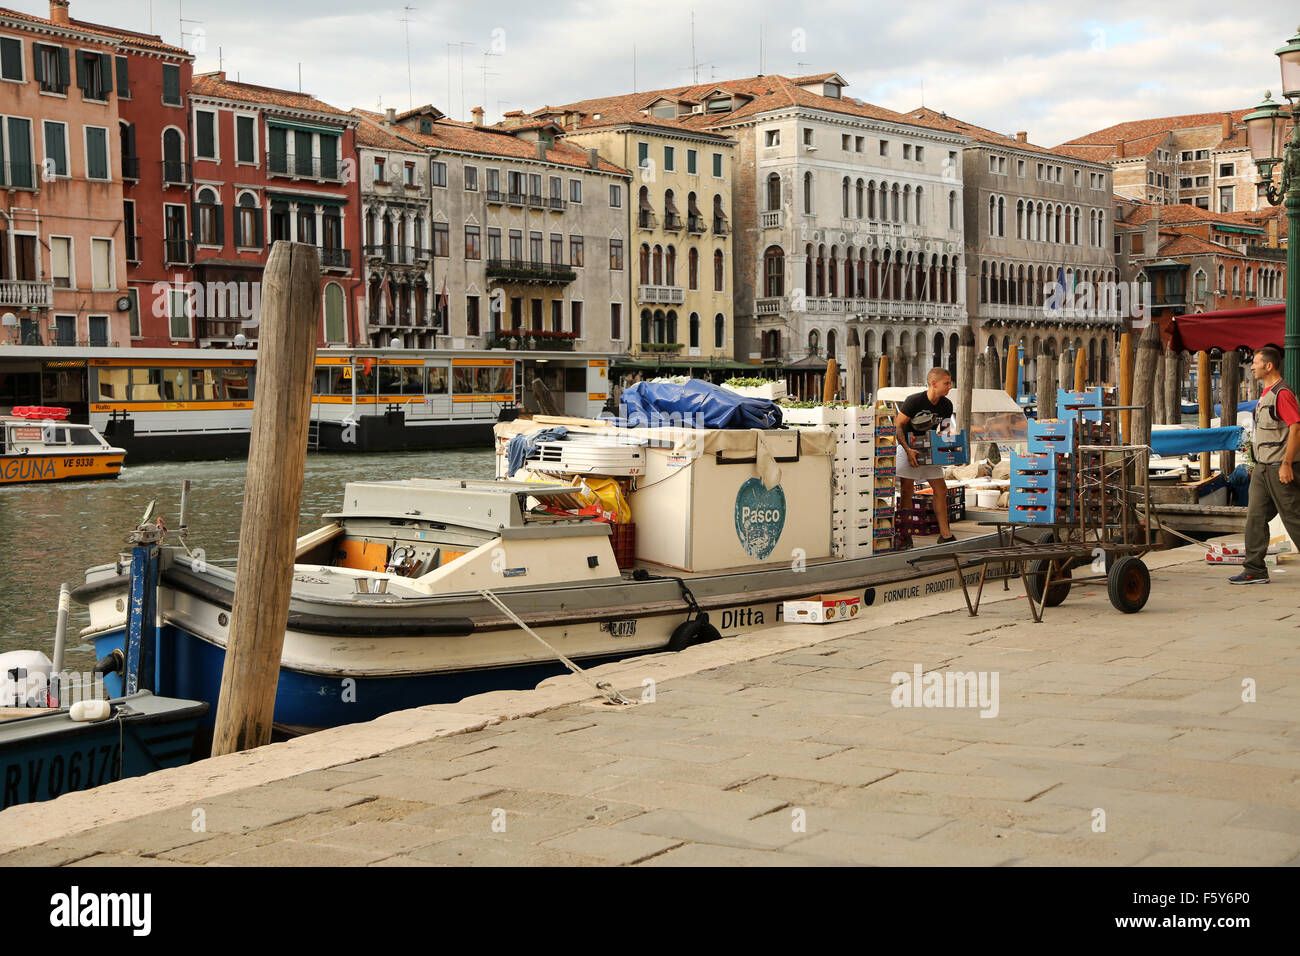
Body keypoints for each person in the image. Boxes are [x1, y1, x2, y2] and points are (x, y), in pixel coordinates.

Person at [1230, 345, 1300, 584]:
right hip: (1263, 467)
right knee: (1255, 517)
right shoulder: (1267, 393)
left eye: (1256, 363)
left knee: (1294, 518)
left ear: (1268, 366)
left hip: (1280, 467)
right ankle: (1254, 569)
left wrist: (1287, 464)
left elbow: (1296, 428)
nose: (1252, 366)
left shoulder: (1283, 393)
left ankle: (1254, 568)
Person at [895, 367, 957, 550]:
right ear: (933, 383)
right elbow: (898, 426)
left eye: (950, 382)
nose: (950, 386)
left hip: (929, 449)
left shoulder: (947, 405)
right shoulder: (914, 401)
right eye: (946, 383)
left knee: (941, 489)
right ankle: (905, 536)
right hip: (907, 448)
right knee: (907, 491)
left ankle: (945, 535)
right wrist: (907, 450)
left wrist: (947, 447)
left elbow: (945, 431)